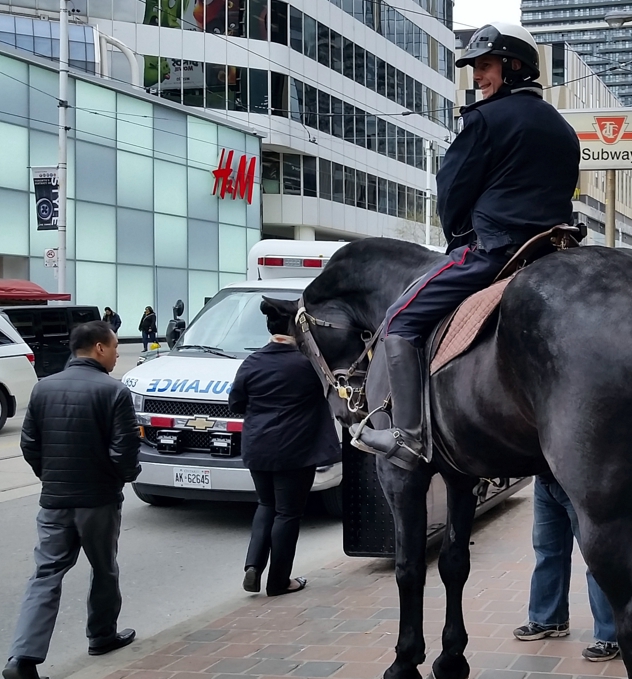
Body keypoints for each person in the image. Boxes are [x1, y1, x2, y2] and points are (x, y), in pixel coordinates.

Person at [353, 22, 581, 465]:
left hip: (496, 252)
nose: (477, 76)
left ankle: (408, 435)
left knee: (399, 318)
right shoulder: (564, 129)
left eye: (486, 65)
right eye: (475, 67)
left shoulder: (485, 120)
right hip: (551, 248)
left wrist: (458, 238)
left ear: (515, 68)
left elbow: (453, 190)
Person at [4, 321, 140, 679]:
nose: (116, 354)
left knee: (45, 574)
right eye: (114, 347)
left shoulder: (43, 388)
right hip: (98, 500)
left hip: (54, 499)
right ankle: (102, 635)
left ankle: (22, 659)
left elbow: (30, 444)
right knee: (104, 568)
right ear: (98, 348)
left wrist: (49, 477)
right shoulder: (114, 392)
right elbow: (125, 452)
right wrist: (122, 478)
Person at [229, 301, 341, 596]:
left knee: (266, 505)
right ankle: (279, 581)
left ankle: (253, 566)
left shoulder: (252, 362)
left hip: (258, 448)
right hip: (296, 451)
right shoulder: (308, 365)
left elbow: (236, 403)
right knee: (288, 514)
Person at [513, 473, 620, 662]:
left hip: (579, 478)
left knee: (596, 557)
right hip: (545, 479)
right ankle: (548, 620)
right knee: (547, 551)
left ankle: (612, 635)